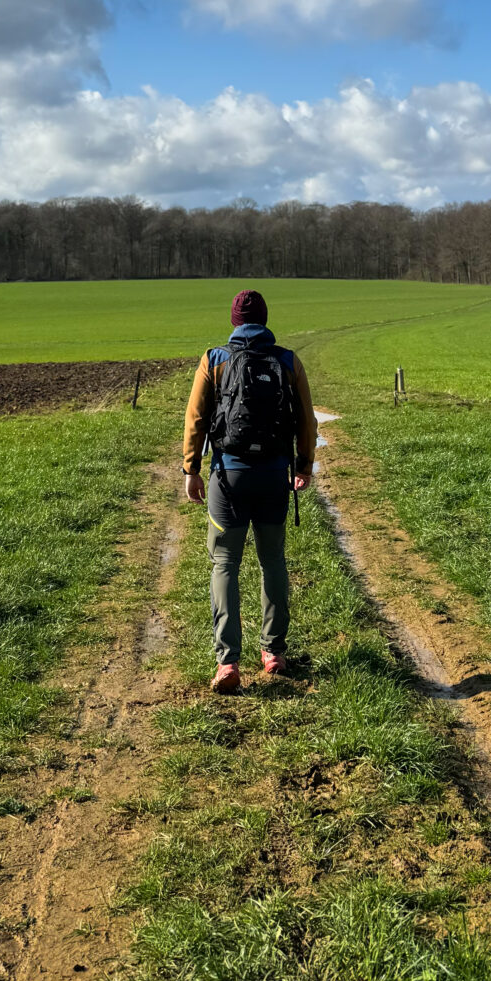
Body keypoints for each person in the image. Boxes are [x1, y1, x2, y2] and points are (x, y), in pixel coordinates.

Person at [182, 288, 319, 694]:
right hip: (274, 475)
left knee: (225, 564)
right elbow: (306, 420)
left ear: (234, 322)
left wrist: (191, 468)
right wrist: (304, 465)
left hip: (229, 477)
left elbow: (196, 418)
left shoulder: (215, 359)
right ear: (264, 319)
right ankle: (273, 652)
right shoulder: (287, 360)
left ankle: (227, 663)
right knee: (272, 561)